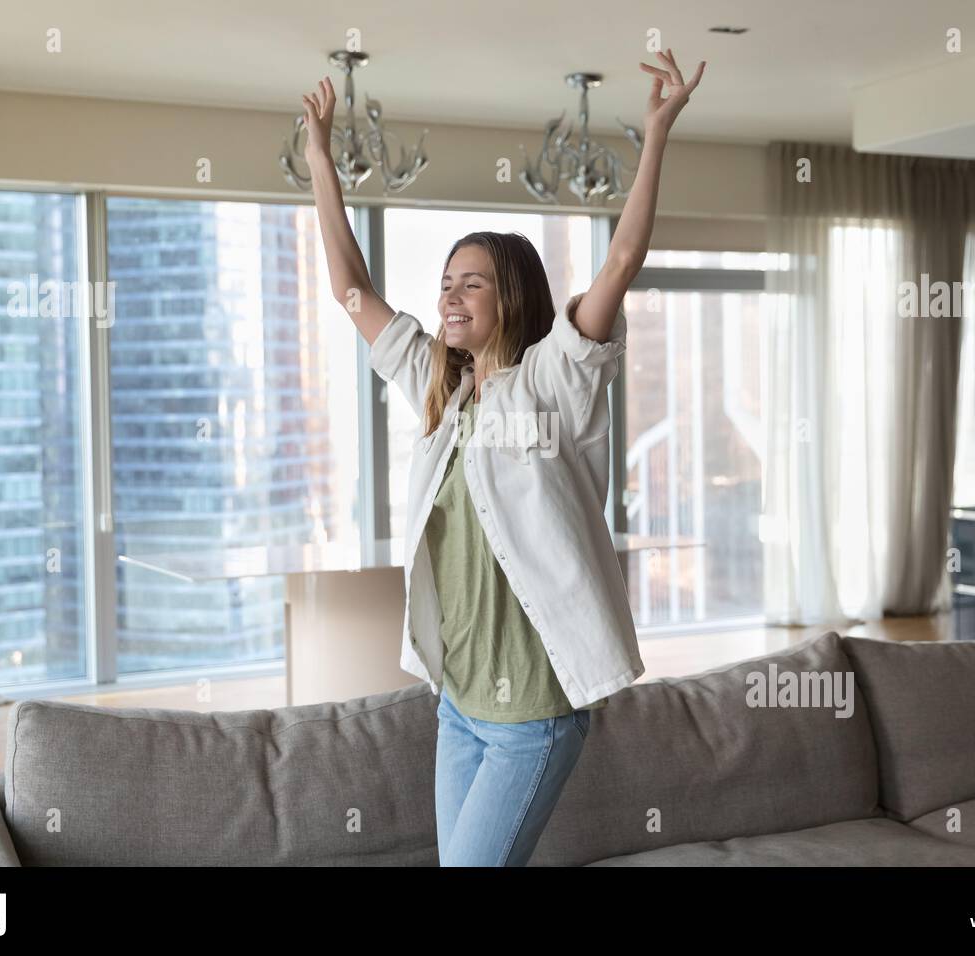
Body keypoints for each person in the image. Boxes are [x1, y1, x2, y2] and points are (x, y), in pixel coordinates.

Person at [301, 49, 705, 866]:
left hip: (534, 719)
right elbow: (349, 289)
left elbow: (621, 262)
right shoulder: (436, 390)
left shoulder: (554, 379)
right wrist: (319, 163)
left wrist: (656, 134)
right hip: (459, 706)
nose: (448, 295)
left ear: (510, 297)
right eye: (446, 280)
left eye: (472, 283)